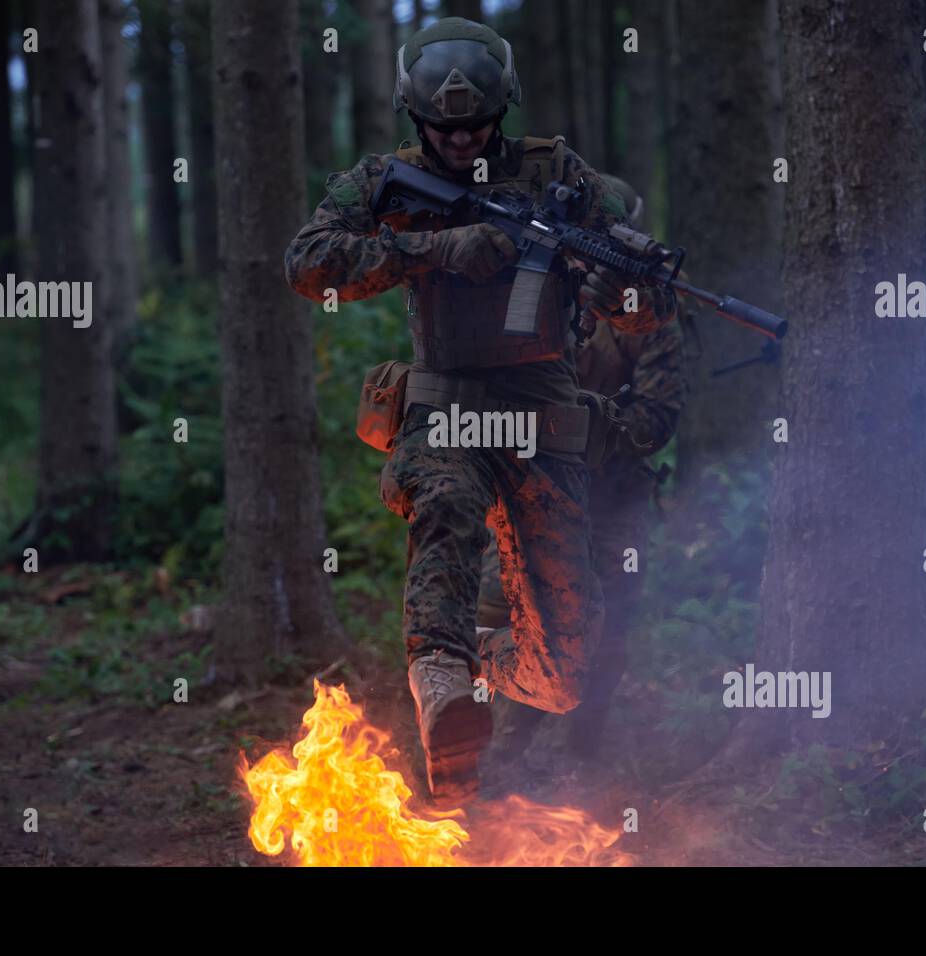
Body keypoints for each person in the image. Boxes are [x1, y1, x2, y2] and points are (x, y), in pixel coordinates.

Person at [284, 17, 677, 802]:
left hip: (542, 420)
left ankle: (475, 664)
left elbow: (644, 310)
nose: (460, 140)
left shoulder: (555, 173)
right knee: (445, 496)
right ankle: (439, 675)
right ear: (415, 118)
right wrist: (432, 250)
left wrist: (623, 293)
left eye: (475, 125)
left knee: (565, 673)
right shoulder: (384, 178)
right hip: (448, 405)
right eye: (442, 127)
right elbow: (309, 263)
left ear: (506, 109)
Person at [476, 173, 686, 761]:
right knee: (508, 609)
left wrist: (587, 431)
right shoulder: (530, 280)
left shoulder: (648, 304)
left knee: (609, 625)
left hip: (613, 489)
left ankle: (582, 753)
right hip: (530, 484)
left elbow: (658, 415)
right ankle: (498, 758)